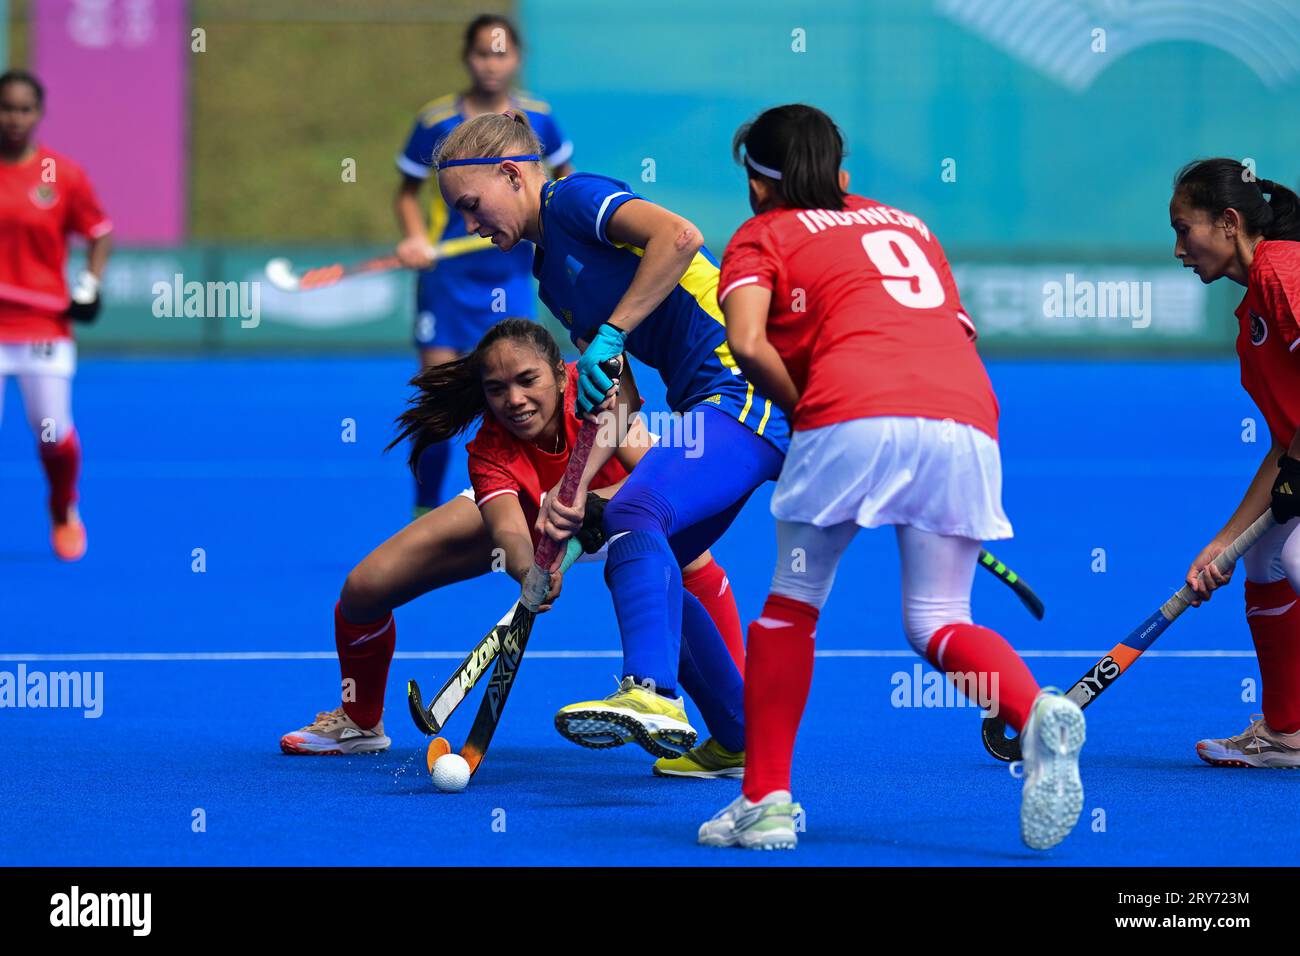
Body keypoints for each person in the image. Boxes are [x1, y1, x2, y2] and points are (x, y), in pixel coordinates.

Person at [697, 104, 1085, 852]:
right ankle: (1034, 715)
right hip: (966, 419)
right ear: (843, 175)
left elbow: (745, 343)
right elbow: (950, 330)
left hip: (849, 413)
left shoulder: (763, 232)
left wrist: (804, 408)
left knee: (792, 605)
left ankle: (767, 801)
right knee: (939, 618)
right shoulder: (909, 224)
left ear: (756, 184)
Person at [434, 111, 791, 765]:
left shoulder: (573, 200)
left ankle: (650, 693)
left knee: (634, 514)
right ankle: (739, 737)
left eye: (470, 205)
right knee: (651, 561)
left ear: (512, 174)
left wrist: (615, 328)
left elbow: (679, 237)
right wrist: (569, 493)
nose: (470, 225)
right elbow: (617, 402)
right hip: (712, 405)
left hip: (749, 385)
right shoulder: (551, 281)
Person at [280, 320, 748, 779]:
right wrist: (531, 573)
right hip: (534, 515)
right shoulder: (490, 451)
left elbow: (654, 477)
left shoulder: (592, 391)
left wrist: (594, 504)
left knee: (688, 558)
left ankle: (743, 722)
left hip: (623, 509)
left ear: (560, 375)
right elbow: (508, 531)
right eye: (497, 388)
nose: (515, 400)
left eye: (528, 381)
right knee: (364, 587)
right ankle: (360, 722)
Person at [394, 14, 573, 516]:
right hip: (446, 280)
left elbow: (563, 179)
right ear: (467, 58)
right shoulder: (435, 122)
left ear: (516, 58)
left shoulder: (539, 115)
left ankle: (532, 501)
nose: (491, 64)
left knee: (521, 390)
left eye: (501, 53)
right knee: (438, 401)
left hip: (511, 276)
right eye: (481, 53)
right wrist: (414, 238)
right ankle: (425, 509)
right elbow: (406, 194)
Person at [1169, 158, 1300, 768]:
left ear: (1227, 222)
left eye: (1183, 230)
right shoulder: (1253, 317)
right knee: (1263, 554)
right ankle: (1287, 732)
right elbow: (1285, 447)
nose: (1178, 250)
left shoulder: (1285, 269)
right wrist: (1220, 543)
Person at [0, 69, 112, 561]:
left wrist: (89, 284)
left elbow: (98, 231)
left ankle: (64, 507)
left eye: (24, 109)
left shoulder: (58, 174)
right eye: (6, 108)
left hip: (44, 328)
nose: (14, 118)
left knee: (52, 431)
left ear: (39, 114)